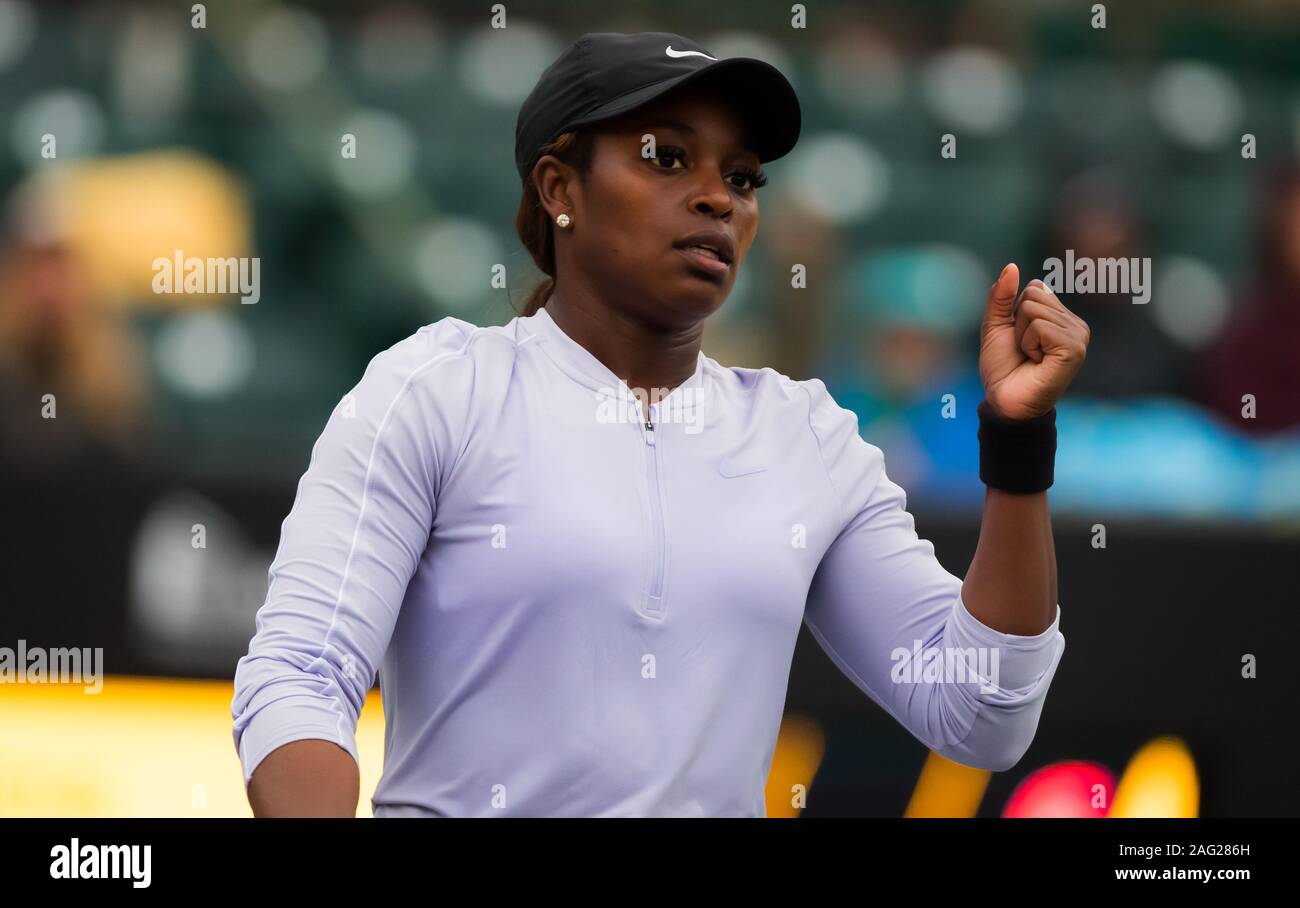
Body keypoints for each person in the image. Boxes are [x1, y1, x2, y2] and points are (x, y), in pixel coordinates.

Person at [232, 31, 1087, 817]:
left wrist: (1017, 446)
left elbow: (977, 712)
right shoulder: (438, 389)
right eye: (669, 158)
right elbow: (301, 675)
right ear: (560, 188)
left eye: (744, 176)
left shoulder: (806, 436)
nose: (719, 198)